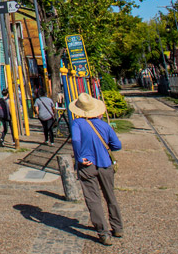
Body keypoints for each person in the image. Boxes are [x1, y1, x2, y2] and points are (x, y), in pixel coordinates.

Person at [69, 93, 123, 246]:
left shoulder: (77, 124)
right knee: (110, 196)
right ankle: (118, 228)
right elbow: (117, 145)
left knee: (93, 200)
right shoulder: (104, 125)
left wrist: (79, 157)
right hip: (105, 164)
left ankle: (103, 232)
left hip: (87, 165)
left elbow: (75, 140)